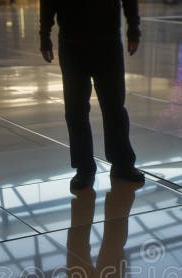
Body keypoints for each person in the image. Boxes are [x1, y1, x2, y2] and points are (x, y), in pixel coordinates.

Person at [40, 0, 145, 192]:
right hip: (72, 45)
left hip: (108, 42)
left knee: (114, 107)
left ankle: (122, 163)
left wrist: (134, 29)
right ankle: (84, 168)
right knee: (75, 109)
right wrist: (44, 34)